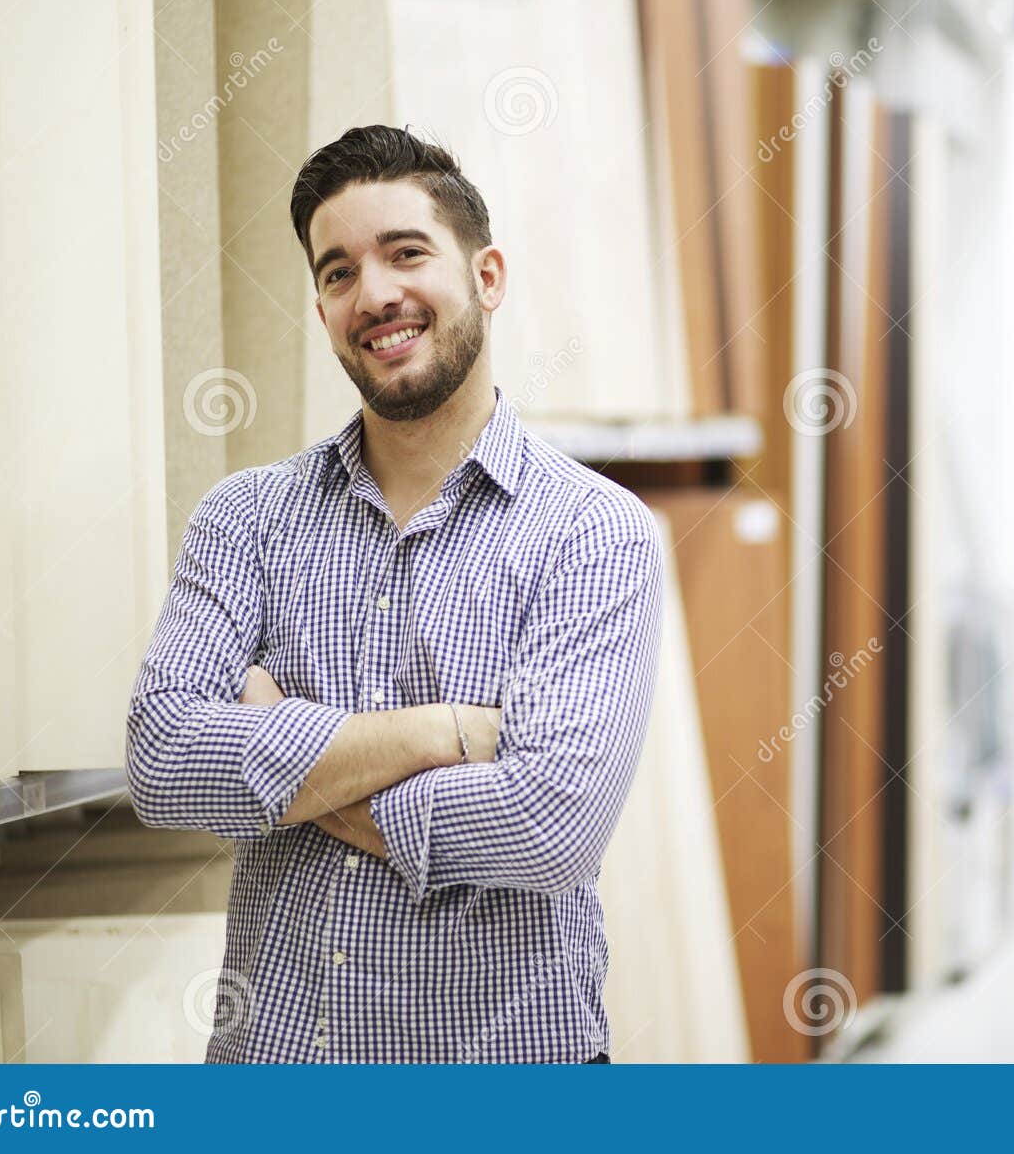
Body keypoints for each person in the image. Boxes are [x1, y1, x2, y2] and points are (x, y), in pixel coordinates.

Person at [125, 124, 664, 1063]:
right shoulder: (245, 517)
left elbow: (549, 824)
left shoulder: (594, 532)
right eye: (336, 272)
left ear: (486, 276)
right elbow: (166, 760)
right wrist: (442, 732)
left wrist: (288, 752)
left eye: (405, 253)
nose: (373, 294)